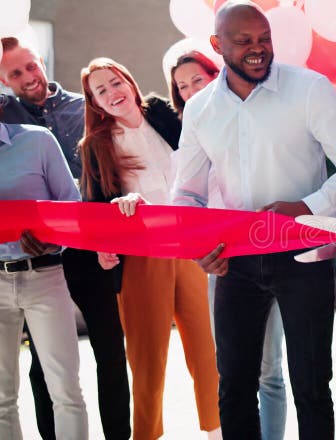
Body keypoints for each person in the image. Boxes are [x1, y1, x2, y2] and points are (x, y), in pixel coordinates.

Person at [170, 2, 336, 438]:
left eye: (264, 39)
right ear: (216, 45)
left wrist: (308, 206)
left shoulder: (308, 88)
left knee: (311, 385)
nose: (257, 49)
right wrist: (198, 247)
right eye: (244, 41)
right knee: (233, 387)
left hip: (303, 254)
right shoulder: (200, 110)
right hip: (236, 262)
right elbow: (186, 194)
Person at [78, 57, 221, 440]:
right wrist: (115, 216)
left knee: (208, 351)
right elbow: (95, 209)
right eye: (101, 91)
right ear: (94, 102)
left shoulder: (163, 115)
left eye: (115, 82)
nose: (112, 93)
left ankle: (217, 431)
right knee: (148, 360)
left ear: (129, 80)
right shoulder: (96, 145)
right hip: (142, 256)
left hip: (190, 248)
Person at [0, 36, 131, 440]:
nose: (27, 77)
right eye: (15, 74)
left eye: (30, 66)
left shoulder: (85, 105)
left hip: (88, 245)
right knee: (43, 364)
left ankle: (116, 436)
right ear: (4, 83)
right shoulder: (11, 117)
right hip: (35, 257)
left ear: (41, 63)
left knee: (109, 349)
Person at [170, 49, 288, 440]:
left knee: (270, 369)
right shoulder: (190, 138)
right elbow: (185, 202)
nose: (189, 92)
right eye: (181, 86)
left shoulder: (252, 125)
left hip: (269, 251)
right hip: (222, 262)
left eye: (196, 81)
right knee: (234, 371)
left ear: (216, 74)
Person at [0, 119, 88, 439]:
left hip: (44, 276)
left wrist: (54, 240)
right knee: (1, 399)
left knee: (65, 391)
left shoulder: (38, 141)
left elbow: (72, 209)